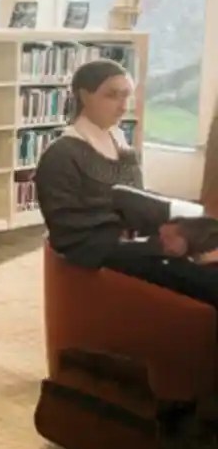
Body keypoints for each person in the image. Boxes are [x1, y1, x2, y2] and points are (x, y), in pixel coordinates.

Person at [36, 58, 218, 306]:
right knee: (202, 280)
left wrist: (169, 230)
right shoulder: (61, 155)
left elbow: (137, 201)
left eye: (126, 96)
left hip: (136, 239)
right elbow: (70, 233)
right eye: (112, 96)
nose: (123, 107)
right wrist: (153, 244)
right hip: (99, 249)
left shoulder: (119, 141)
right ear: (85, 96)